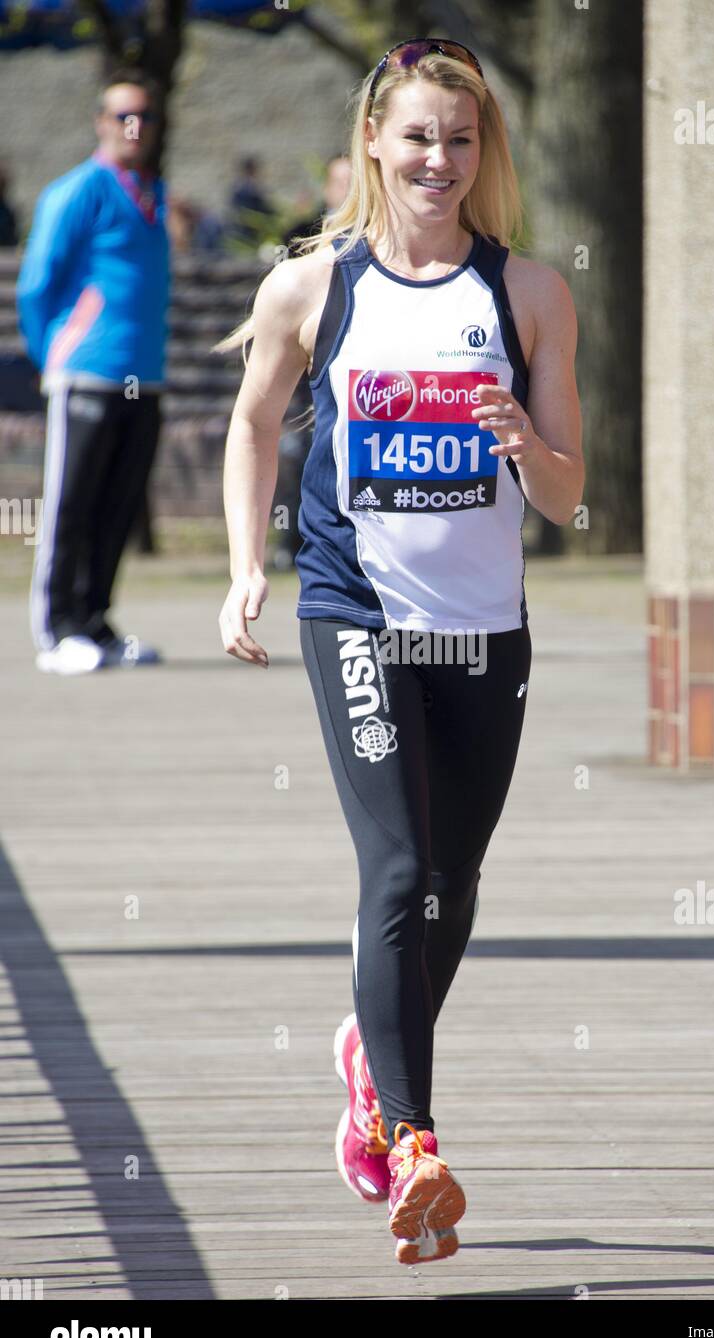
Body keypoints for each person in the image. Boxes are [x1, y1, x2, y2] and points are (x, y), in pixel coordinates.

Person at [214, 37, 583, 1263]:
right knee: (396, 868)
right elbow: (255, 420)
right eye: (418, 135)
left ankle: (369, 1057)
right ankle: (413, 1137)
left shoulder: (525, 294)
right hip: (356, 615)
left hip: (484, 631)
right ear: (373, 139)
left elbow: (568, 502)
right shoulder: (311, 286)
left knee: (452, 885)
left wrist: (526, 437)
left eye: (460, 138)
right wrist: (245, 567)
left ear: (485, 154)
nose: (438, 158)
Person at [17, 68, 171, 674]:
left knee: (118, 507)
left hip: (145, 375)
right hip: (86, 374)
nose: (136, 126)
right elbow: (37, 286)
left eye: (147, 116)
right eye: (123, 115)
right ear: (101, 123)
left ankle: (96, 624)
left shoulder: (151, 194)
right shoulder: (77, 190)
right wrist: (52, 353)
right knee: (71, 505)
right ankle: (57, 633)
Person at [273, 154, 353, 571]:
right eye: (341, 181)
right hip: (304, 373)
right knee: (295, 447)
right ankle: (290, 539)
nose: (348, 190)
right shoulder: (300, 236)